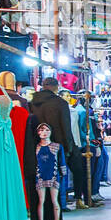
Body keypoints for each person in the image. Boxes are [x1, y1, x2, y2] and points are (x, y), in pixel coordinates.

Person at [30, 77, 81, 210]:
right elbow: (65, 127)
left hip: (38, 145)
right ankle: (61, 205)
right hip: (58, 145)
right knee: (59, 175)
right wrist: (69, 147)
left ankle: (45, 210)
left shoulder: (33, 103)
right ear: (56, 87)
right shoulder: (60, 103)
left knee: (43, 177)